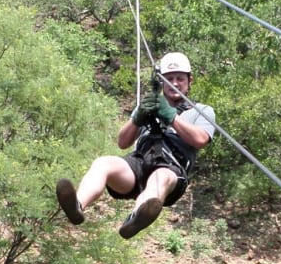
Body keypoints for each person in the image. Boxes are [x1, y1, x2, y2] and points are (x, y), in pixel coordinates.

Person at [56, 52, 216, 239]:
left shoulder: (202, 111)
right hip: (139, 163)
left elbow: (200, 139)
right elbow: (123, 142)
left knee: (162, 176)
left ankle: (137, 216)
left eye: (180, 78)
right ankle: (78, 205)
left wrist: (172, 118)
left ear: (190, 80)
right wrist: (138, 118)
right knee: (103, 163)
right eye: (169, 78)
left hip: (171, 167)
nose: (175, 83)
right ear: (162, 81)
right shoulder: (149, 105)